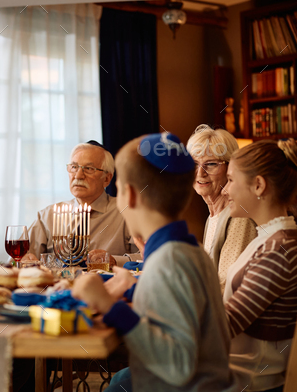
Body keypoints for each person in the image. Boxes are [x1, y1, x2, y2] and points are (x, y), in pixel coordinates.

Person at [72, 133, 239, 392]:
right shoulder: (190, 250)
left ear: (128, 195)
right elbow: (182, 305)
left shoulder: (168, 260)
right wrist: (134, 288)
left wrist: (107, 304)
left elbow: (177, 365)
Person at [222, 139, 297, 392]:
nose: (224, 190)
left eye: (230, 180)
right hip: (237, 369)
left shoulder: (277, 250)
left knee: (129, 379)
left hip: (248, 380)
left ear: (259, 185)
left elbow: (221, 328)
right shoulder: (272, 239)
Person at [25, 141, 139, 263]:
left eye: (89, 169)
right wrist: (25, 260)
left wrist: (116, 261)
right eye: (74, 167)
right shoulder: (48, 216)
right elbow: (18, 259)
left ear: (107, 179)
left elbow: (151, 256)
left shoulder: (127, 211)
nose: (78, 175)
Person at [187, 124, 257, 292]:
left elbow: (227, 286)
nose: (200, 173)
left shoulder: (239, 217)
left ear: (230, 168)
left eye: (210, 164)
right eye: (194, 164)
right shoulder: (213, 216)